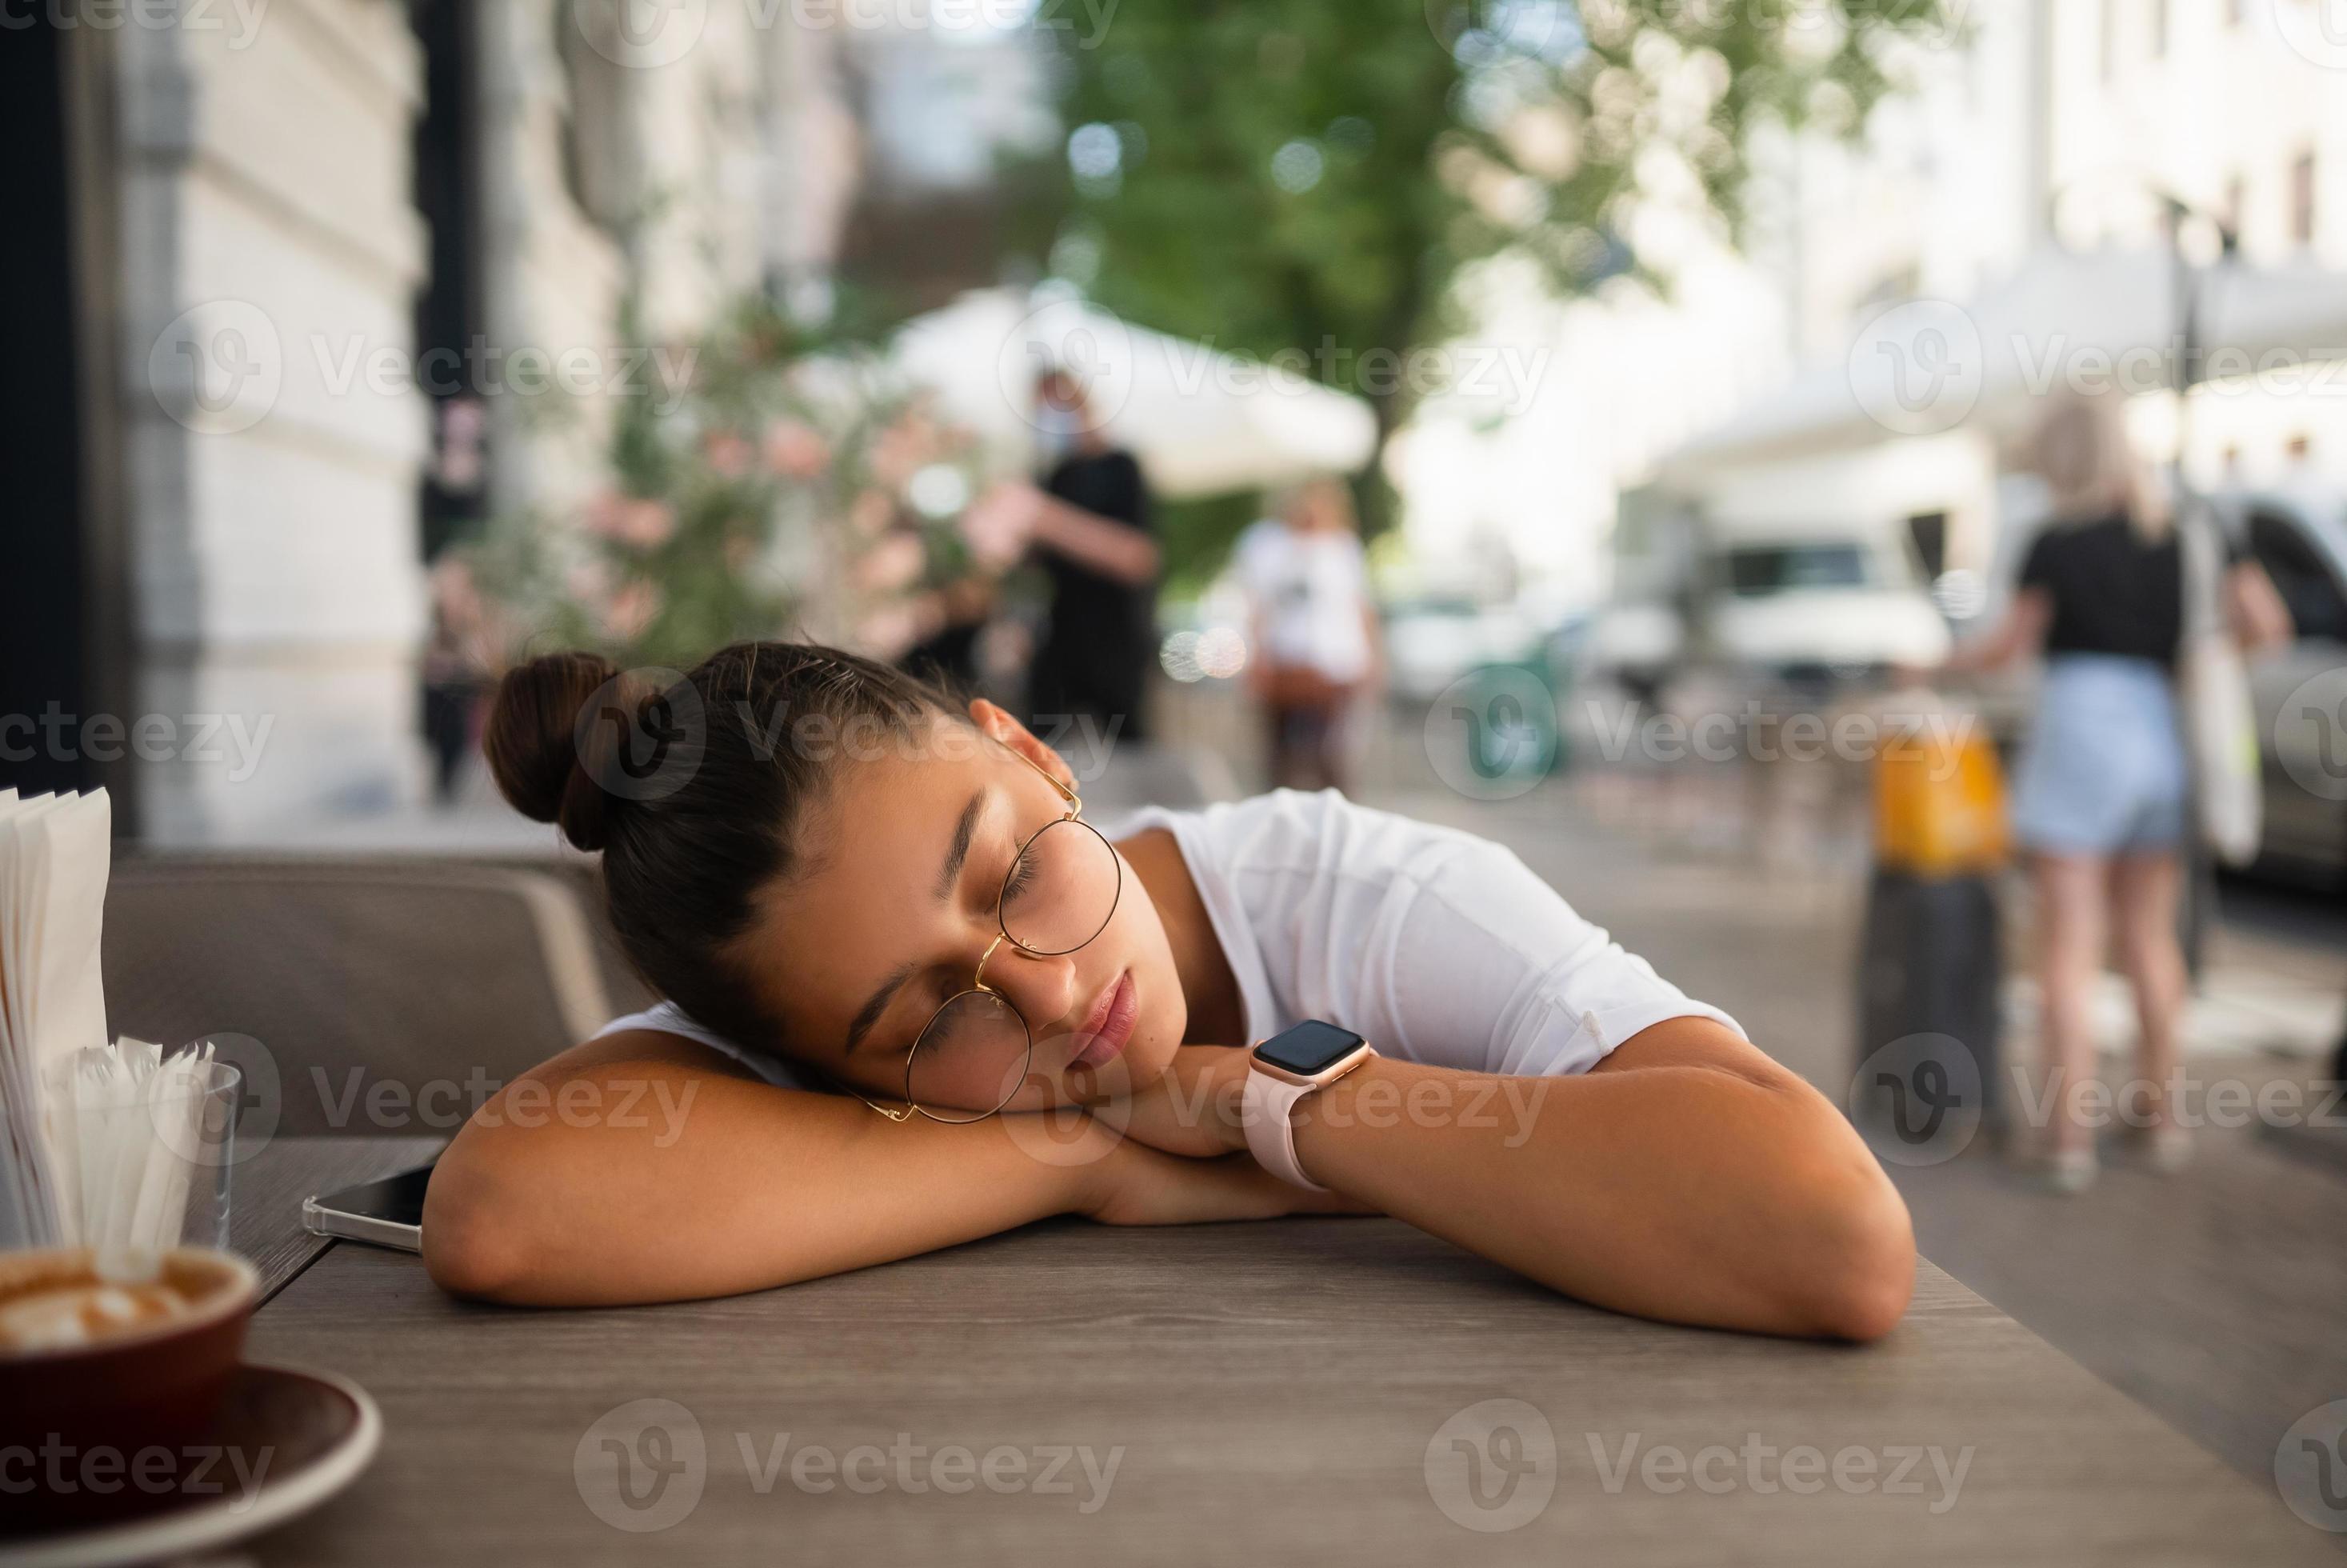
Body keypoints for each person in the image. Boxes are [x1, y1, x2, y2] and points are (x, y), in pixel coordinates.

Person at [422, 638, 1916, 1340]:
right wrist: (1070, 1158)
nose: (1053, 998)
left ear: (1028, 751)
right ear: (836, 1063)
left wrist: (1266, 1102)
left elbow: (1828, 1237)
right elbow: (504, 1216)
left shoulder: (1359, 897)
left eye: (1010, 869)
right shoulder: (797, 981)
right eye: (936, 1019)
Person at [1930, 392, 2289, 1193]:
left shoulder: (2055, 541)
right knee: (2150, 939)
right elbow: (2268, 626)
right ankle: (2159, 1121)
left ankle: (2067, 1139)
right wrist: (2204, 652)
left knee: (2067, 947)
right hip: (2162, 733)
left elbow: (2005, 651)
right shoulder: (2191, 528)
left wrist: (1929, 667)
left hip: (2080, 738)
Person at [980, 367, 1159, 746]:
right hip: (1061, 638)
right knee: (1035, 748)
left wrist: (1044, 517)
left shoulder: (1120, 468)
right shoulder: (1055, 475)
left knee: (1130, 755)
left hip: (1117, 644)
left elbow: (1136, 558)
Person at [1235, 478, 1382, 792]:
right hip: (1286, 664)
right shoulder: (1268, 547)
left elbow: (1360, 607)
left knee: (1333, 757)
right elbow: (1258, 608)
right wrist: (1257, 660)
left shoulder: (1343, 549)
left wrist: (1372, 658)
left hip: (1338, 666)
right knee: (1282, 757)